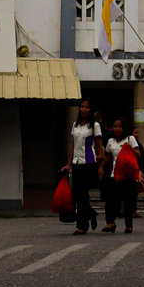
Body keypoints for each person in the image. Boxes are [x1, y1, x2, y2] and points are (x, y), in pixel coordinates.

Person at [63, 98, 102, 235]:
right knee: (77, 195)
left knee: (82, 194)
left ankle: (82, 225)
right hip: (76, 163)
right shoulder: (75, 125)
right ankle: (91, 214)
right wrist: (69, 164)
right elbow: (73, 145)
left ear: (91, 109)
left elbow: (98, 146)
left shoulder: (94, 125)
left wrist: (101, 166)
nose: (84, 109)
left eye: (87, 107)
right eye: (82, 107)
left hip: (89, 163)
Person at [103, 118, 144, 233]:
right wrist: (101, 158)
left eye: (119, 126)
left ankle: (128, 225)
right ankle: (110, 222)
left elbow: (138, 155)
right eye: (115, 126)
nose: (117, 129)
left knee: (128, 200)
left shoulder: (130, 139)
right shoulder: (110, 141)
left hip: (127, 175)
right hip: (114, 174)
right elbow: (107, 157)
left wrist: (130, 148)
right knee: (110, 199)